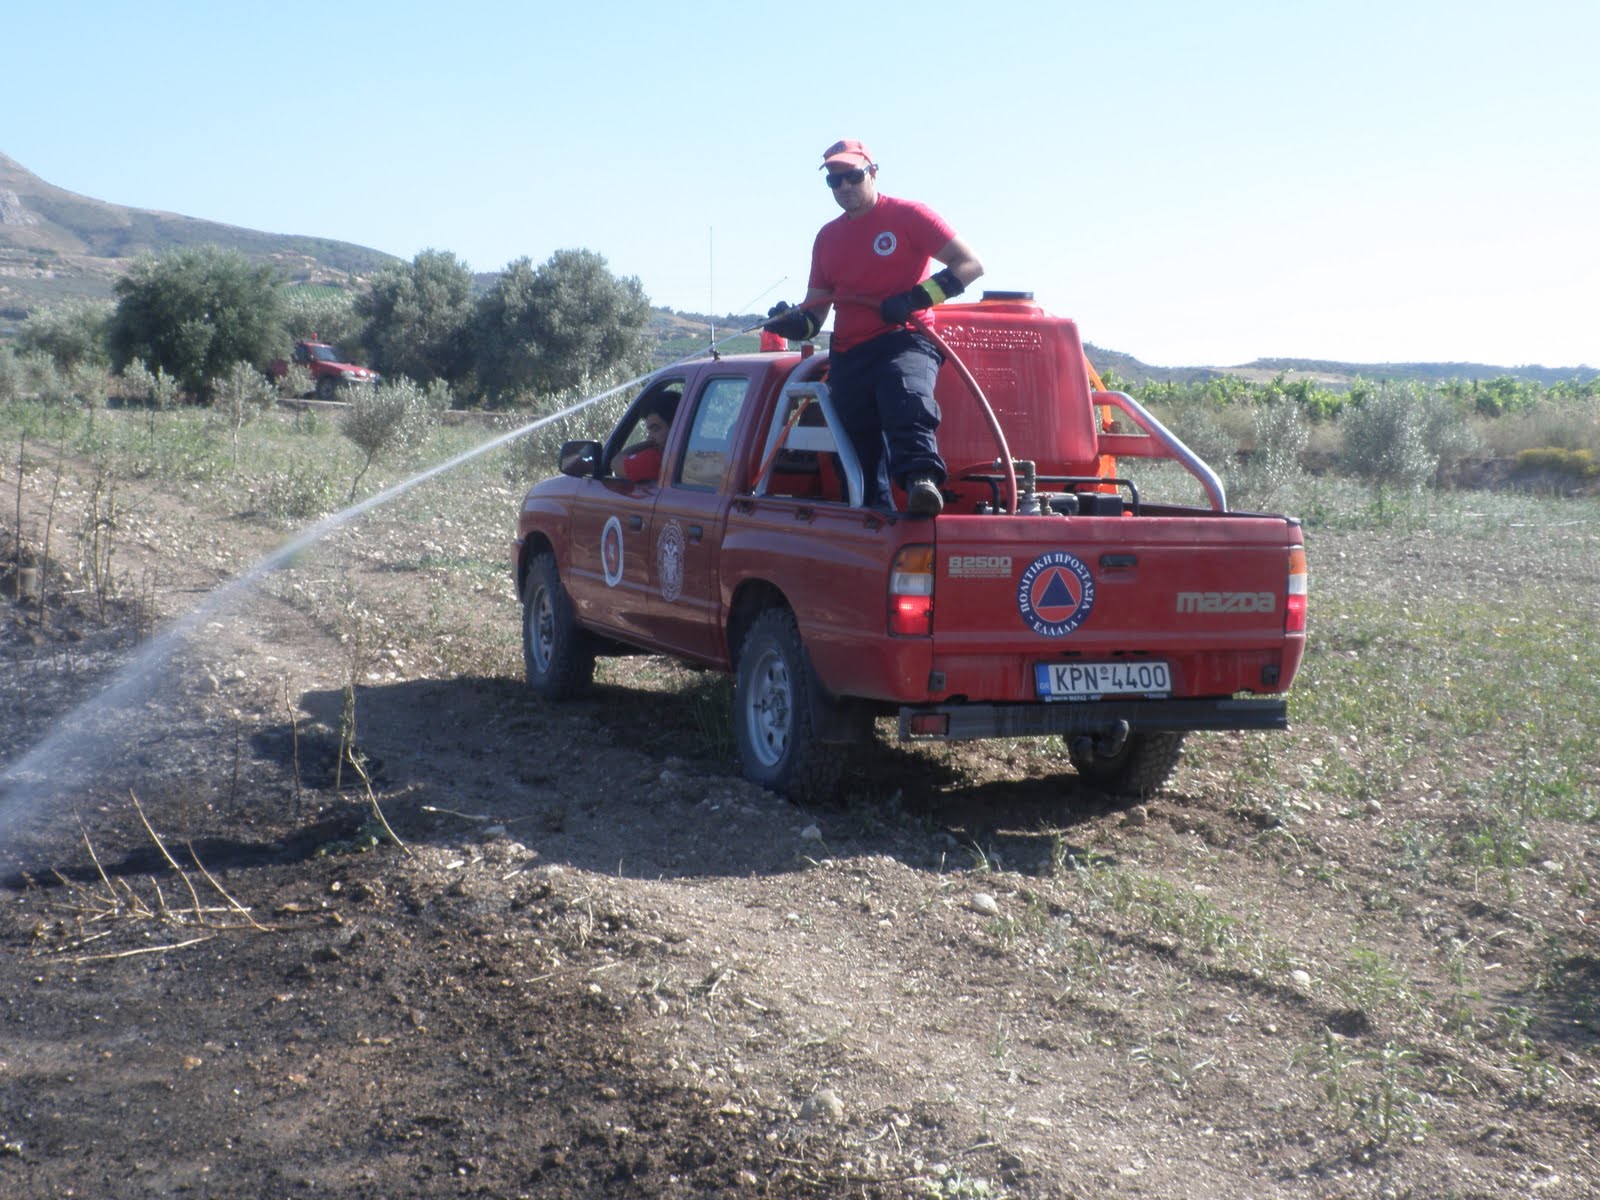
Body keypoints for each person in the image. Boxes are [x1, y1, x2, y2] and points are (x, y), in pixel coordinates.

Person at [763, 139, 983, 515]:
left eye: (852, 176)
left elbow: (970, 265)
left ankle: (921, 483)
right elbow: (816, 315)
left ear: (873, 173)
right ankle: (870, 514)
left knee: (905, 398)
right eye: (834, 181)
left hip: (905, 339)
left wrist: (916, 299)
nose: (844, 186)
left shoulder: (910, 216)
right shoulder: (827, 238)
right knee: (851, 439)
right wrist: (794, 322)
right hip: (849, 352)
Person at [618, 388, 679, 483]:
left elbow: (616, 464)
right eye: (649, 431)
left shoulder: (657, 460)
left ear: (676, 426)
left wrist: (645, 444)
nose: (650, 437)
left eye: (656, 429)